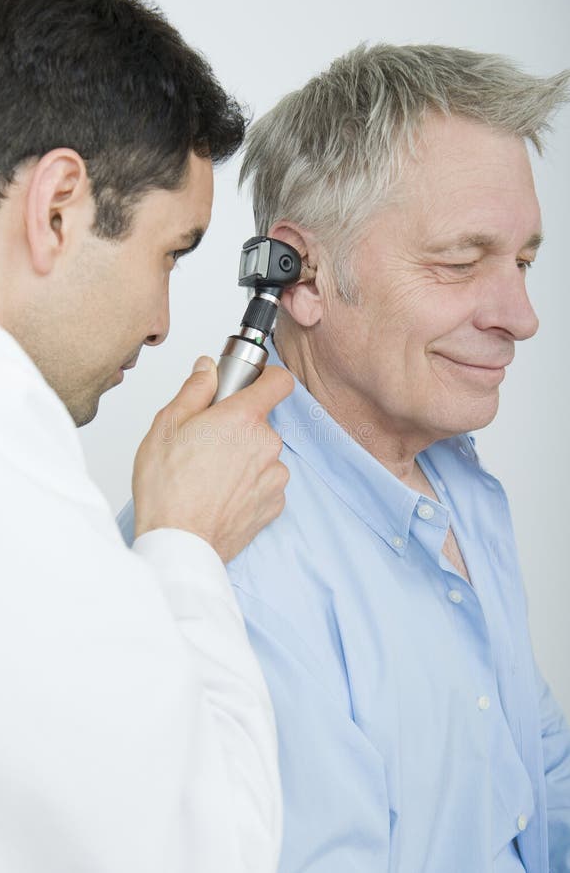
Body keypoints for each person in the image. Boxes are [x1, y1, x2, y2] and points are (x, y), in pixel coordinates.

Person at [0, 0, 294, 871]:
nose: (160, 321)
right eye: (169, 254)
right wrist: (185, 544)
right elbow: (206, 850)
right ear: (59, 205)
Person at [226, 45, 570, 871]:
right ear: (299, 275)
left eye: (522, 261)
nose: (520, 316)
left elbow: (536, 765)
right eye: (459, 262)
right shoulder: (233, 551)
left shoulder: (456, 477)